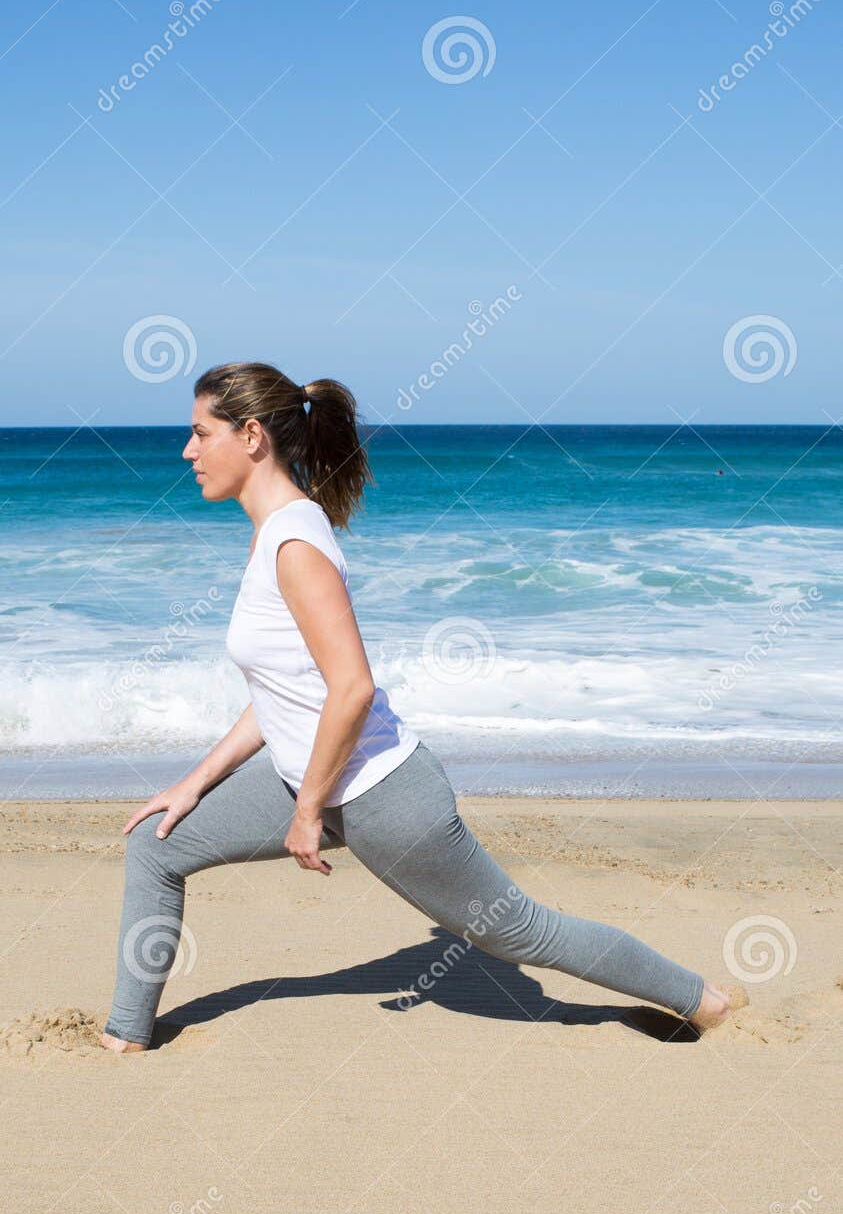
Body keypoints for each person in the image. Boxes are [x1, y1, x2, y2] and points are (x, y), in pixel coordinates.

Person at [100, 362, 739, 1053]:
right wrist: (195, 784)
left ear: (251, 435)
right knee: (156, 842)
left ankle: (704, 1003)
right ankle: (126, 1035)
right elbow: (284, 692)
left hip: (383, 796)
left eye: (200, 433)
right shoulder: (272, 534)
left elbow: (351, 689)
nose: (186, 451)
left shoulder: (294, 544)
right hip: (308, 773)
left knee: (521, 931)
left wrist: (308, 811)